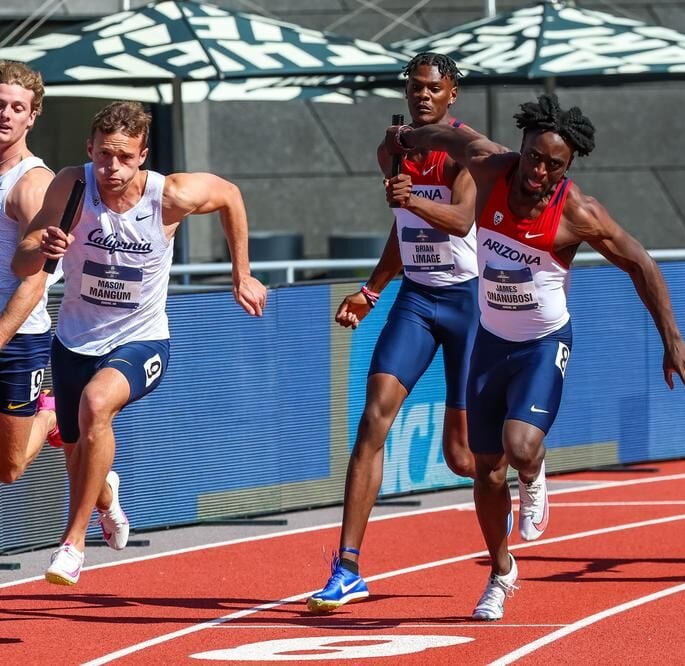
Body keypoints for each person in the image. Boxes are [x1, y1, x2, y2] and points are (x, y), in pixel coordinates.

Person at [383, 93, 685, 621]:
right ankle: (501, 571)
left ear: (569, 166)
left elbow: (640, 263)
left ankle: (535, 475)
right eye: (534, 157)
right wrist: (407, 141)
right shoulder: (491, 170)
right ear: (522, 146)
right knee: (484, 470)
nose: (539, 171)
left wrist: (672, 339)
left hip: (542, 343)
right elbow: (448, 137)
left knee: (519, 446)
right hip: (490, 341)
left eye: (554, 165)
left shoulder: (576, 213)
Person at [12, 101, 267, 585]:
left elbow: (230, 195)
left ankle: (73, 543)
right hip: (73, 341)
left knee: (96, 404)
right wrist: (43, 245)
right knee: (78, 448)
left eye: (125, 157)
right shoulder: (71, 185)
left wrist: (242, 274)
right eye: (105, 155)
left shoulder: (168, 194)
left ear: (143, 155)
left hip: (142, 339)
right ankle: (107, 495)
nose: (113, 168)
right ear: (90, 149)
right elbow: (23, 263)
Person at [306, 53, 479, 613]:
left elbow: (462, 221)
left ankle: (526, 464)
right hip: (418, 299)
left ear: (451, 94)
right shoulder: (392, 150)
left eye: (434, 88)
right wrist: (372, 291)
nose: (422, 95)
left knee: (461, 457)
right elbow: (402, 230)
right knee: (373, 417)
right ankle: (347, 567)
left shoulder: (468, 152)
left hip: (470, 302)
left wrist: (415, 200)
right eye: (415, 87)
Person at [0, 60, 60, 484]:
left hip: (18, 338)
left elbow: (36, 280)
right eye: (0, 104)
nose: (5, 114)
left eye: (17, 108)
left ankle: (51, 416)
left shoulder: (33, 182)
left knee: (9, 467)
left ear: (32, 117)